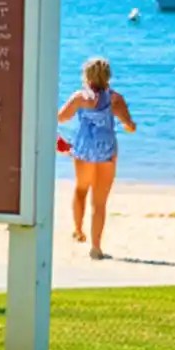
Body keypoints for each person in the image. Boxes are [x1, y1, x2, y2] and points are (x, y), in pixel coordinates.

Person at [58, 57, 136, 260]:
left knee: (81, 189)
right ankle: (96, 247)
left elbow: (61, 117)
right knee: (99, 203)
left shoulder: (79, 97)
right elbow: (130, 125)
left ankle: (77, 229)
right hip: (106, 151)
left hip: (84, 149)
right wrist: (127, 126)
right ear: (108, 76)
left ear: (87, 76)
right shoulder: (115, 99)